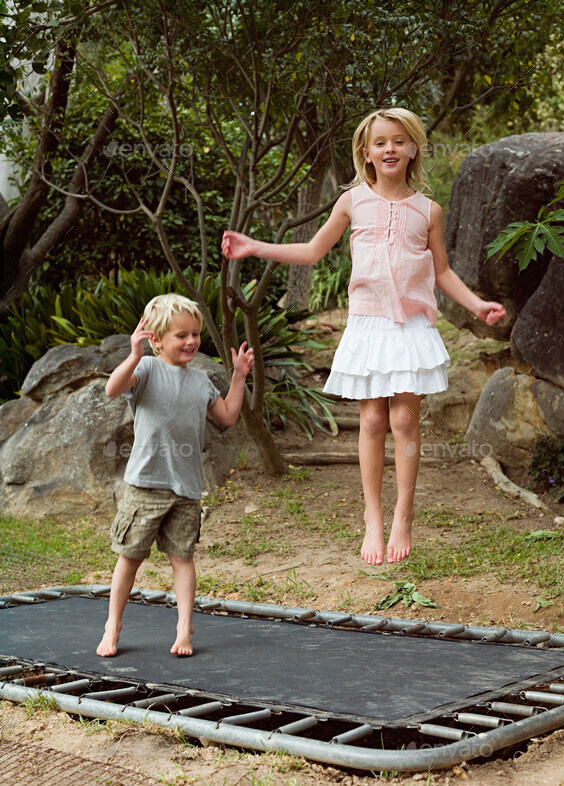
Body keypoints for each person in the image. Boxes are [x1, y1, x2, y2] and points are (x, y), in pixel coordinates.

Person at [221, 107, 506, 567]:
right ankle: (373, 516)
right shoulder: (353, 201)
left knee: (404, 423)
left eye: (398, 140)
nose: (389, 148)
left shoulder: (427, 210)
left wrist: (476, 305)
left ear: (413, 148)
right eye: (380, 142)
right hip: (369, 323)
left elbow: (443, 272)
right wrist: (256, 246)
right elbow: (313, 251)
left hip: (410, 326)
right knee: (372, 421)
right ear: (366, 153)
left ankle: (403, 515)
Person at [96, 293, 254, 657]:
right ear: (157, 340)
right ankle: (112, 625)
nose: (191, 341)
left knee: (183, 558)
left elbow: (228, 415)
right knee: (130, 558)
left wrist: (240, 377)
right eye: (181, 335)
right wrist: (134, 354)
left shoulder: (200, 381)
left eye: (195, 334)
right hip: (146, 485)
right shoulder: (147, 370)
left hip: (186, 488)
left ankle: (185, 628)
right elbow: (112, 388)